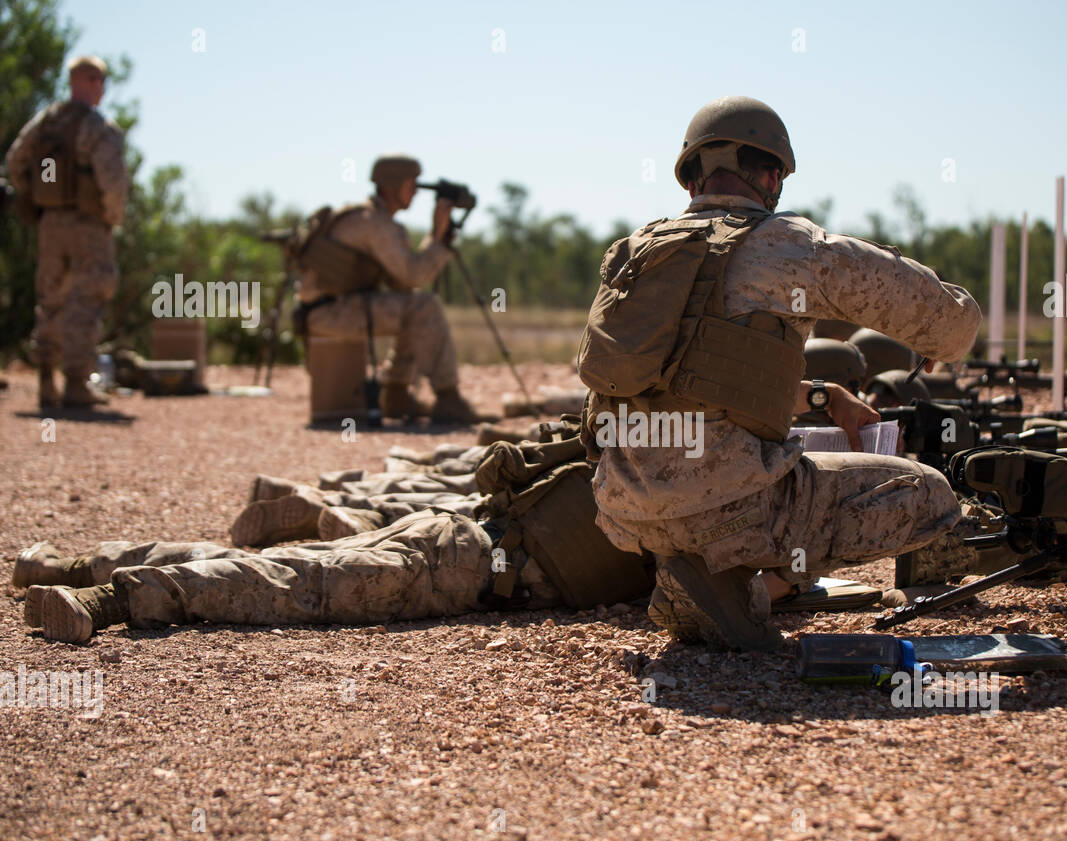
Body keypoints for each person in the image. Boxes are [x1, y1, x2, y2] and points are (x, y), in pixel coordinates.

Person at [580, 96, 984, 652]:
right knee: (928, 492)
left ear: (691, 179)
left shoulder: (632, 253)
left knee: (732, 484)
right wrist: (945, 331)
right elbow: (951, 326)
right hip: (732, 510)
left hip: (623, 508)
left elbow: (692, 379)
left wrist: (821, 395)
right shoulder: (791, 246)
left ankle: (718, 580)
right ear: (771, 174)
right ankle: (744, 594)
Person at [16, 435, 655, 645]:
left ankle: (72, 565)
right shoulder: (698, 475)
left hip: (466, 529)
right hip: (466, 560)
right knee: (298, 582)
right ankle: (114, 600)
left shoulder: (634, 419)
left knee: (281, 564)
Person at [293, 154, 490, 424]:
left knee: (414, 305)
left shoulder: (372, 220)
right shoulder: (375, 224)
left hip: (328, 310)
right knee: (422, 306)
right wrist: (437, 238)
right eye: (411, 184)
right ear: (391, 186)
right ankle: (447, 397)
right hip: (329, 314)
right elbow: (412, 276)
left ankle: (395, 396)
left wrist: (437, 237)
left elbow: (401, 284)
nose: (416, 192)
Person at [4, 55, 129, 409]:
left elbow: (16, 161)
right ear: (88, 82)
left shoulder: (45, 122)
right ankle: (75, 382)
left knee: (51, 297)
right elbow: (113, 182)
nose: (101, 88)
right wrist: (112, 217)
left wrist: (36, 198)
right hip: (89, 225)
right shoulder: (98, 127)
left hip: (50, 224)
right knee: (88, 297)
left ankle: (46, 381)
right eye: (99, 81)